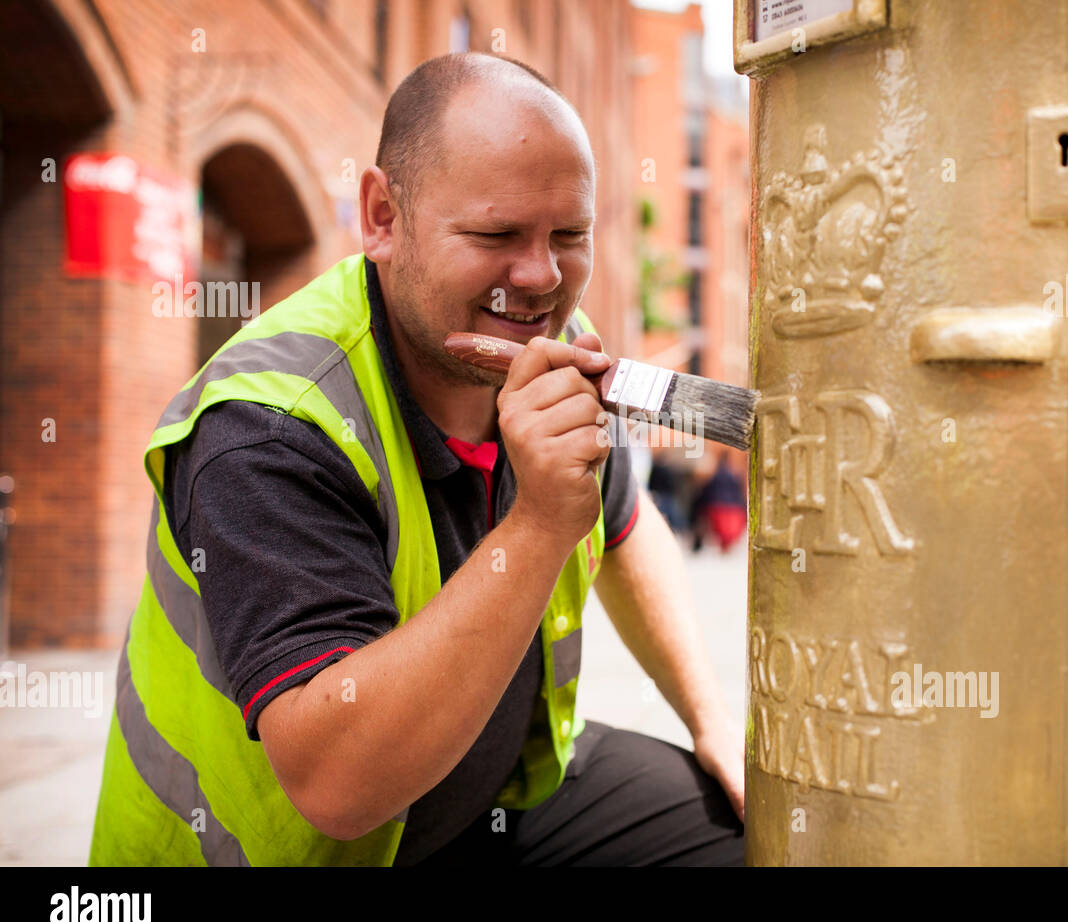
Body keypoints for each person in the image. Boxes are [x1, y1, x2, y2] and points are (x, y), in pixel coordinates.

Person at [89, 53, 743, 866]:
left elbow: (624, 522)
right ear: (382, 216)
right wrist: (538, 525)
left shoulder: (548, 346)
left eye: (569, 235)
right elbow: (339, 785)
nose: (540, 277)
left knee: (744, 827)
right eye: (496, 234)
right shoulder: (269, 425)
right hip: (296, 853)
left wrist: (712, 720)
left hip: (495, 800)